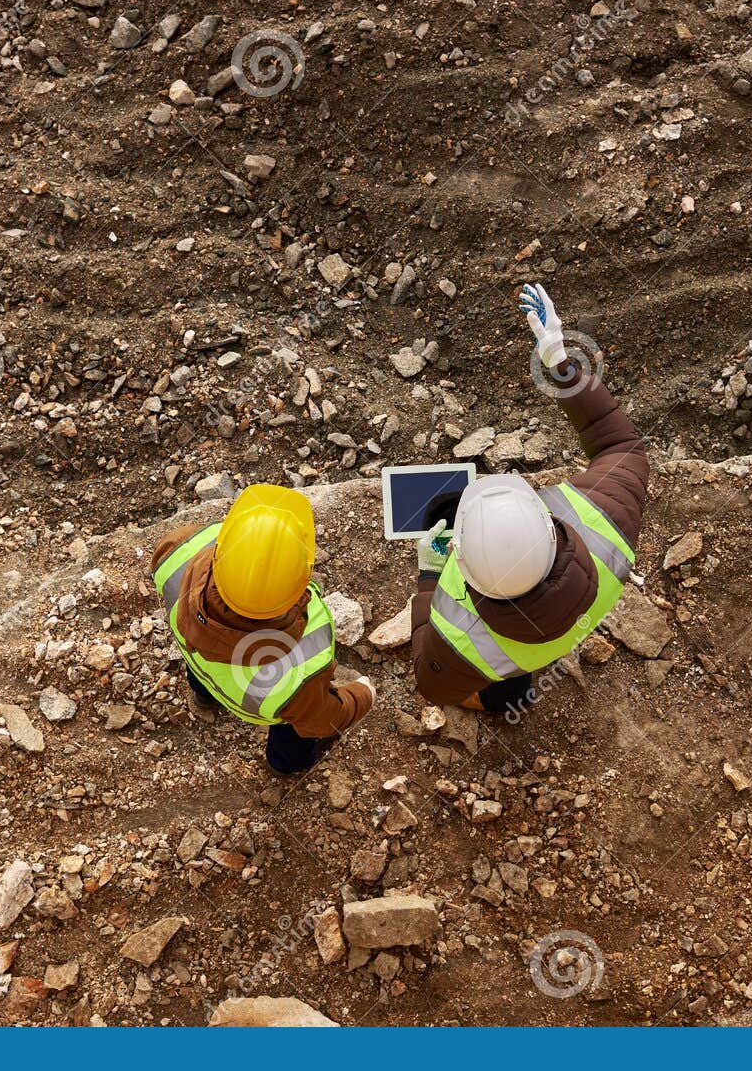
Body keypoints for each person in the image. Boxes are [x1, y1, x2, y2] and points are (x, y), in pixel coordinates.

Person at [410, 283, 650, 713]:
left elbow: (430, 687)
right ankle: (513, 699)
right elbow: (620, 446)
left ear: (458, 564)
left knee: (502, 678)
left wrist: (429, 577)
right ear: (547, 522)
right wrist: (560, 363)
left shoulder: (460, 633)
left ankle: (503, 704)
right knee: (518, 668)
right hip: (557, 626)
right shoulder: (606, 524)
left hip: (505, 655)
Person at [151, 484, 376, 775]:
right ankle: (285, 764)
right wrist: (363, 695)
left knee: (200, 651)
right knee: (294, 727)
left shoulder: (181, 548)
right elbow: (322, 720)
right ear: (300, 583)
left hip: (198, 653)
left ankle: (203, 696)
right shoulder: (304, 663)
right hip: (270, 705)